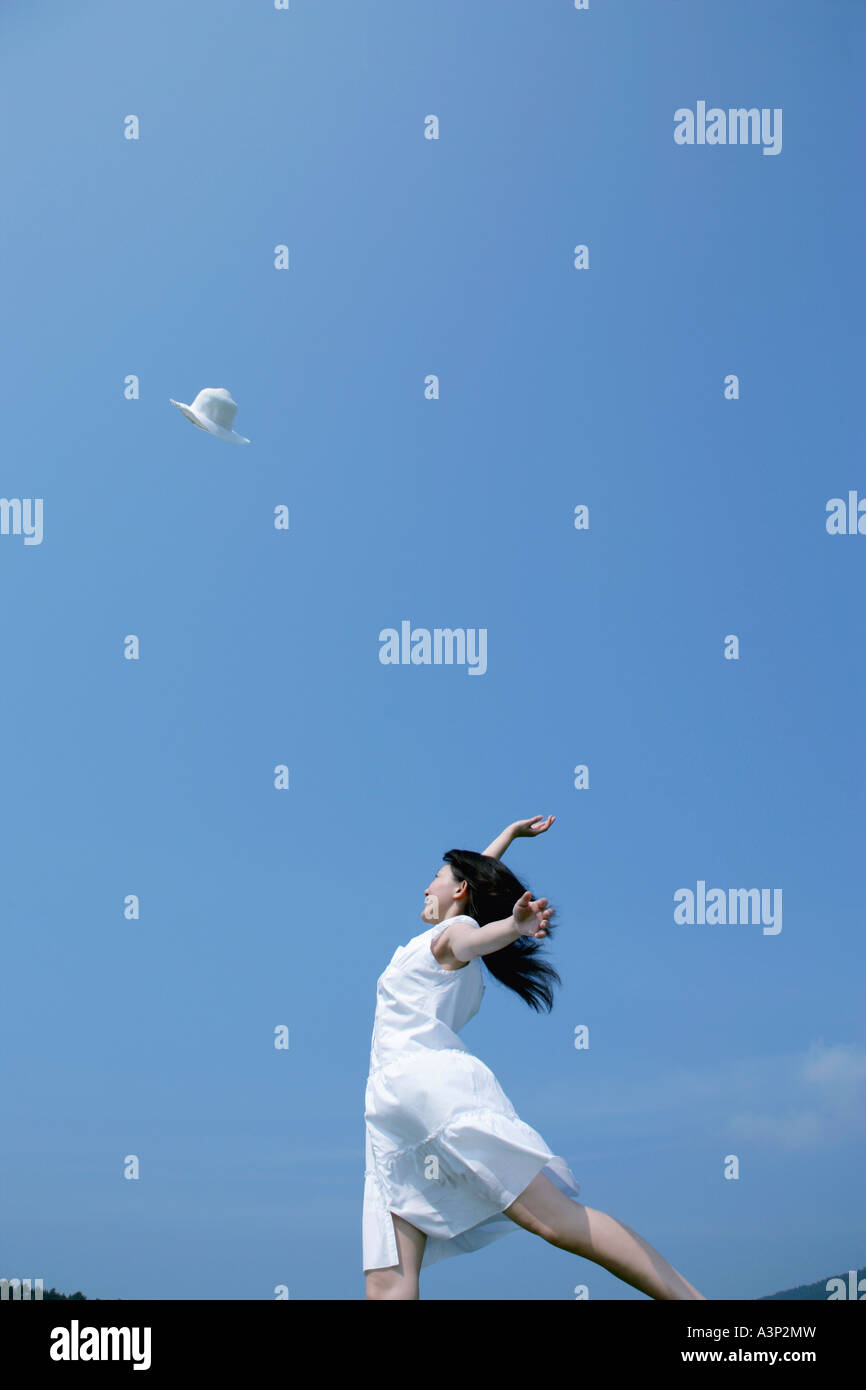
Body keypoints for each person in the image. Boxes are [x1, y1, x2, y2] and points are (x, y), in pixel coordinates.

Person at [363, 815, 706, 1300]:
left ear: (460, 892)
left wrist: (512, 926)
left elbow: (473, 933)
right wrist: (506, 837)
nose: (426, 885)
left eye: (436, 878)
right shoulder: (432, 940)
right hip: (391, 1116)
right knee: (386, 1281)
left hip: (426, 1095)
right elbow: (475, 883)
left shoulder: (454, 933)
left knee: (556, 1223)